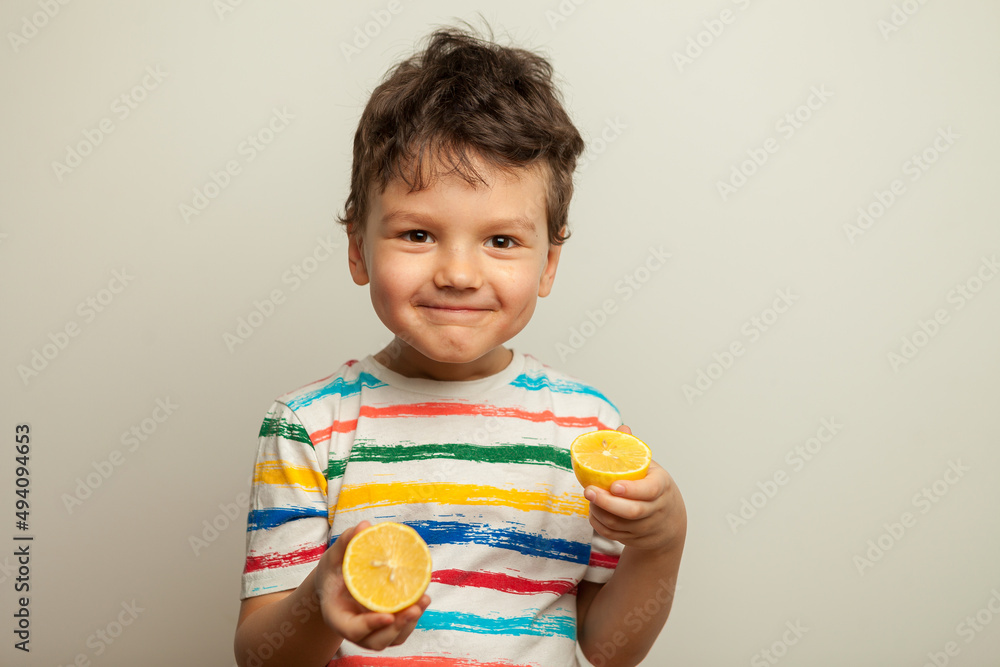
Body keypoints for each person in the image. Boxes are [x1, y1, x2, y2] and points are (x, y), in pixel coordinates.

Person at [234, 20, 686, 667]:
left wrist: (662, 542)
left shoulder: (585, 431)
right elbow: (259, 655)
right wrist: (318, 599)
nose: (458, 273)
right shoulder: (308, 429)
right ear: (359, 248)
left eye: (501, 240)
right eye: (418, 234)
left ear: (549, 262)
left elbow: (611, 648)